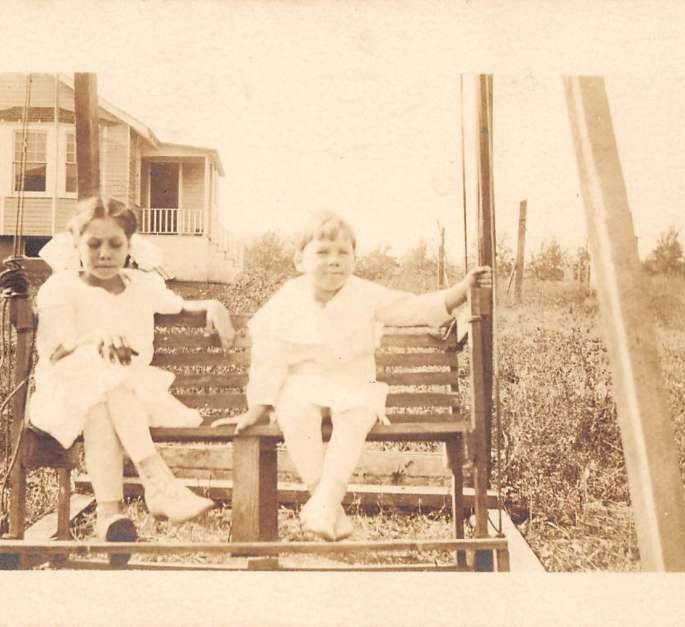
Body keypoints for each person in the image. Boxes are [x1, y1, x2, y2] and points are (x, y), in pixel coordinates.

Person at [213, 211, 491, 541]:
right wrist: (258, 406)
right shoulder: (287, 299)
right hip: (304, 383)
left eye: (343, 253)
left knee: (356, 416)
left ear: (355, 259)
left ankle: (326, 500)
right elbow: (269, 355)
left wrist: (462, 289)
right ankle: (328, 505)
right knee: (293, 411)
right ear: (299, 261)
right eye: (322, 252)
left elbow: (413, 307)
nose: (334, 261)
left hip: (353, 383)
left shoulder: (364, 293)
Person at [28, 196, 235, 556]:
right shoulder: (61, 288)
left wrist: (212, 305)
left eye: (115, 244)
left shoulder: (141, 286)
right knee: (102, 379)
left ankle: (110, 515)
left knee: (104, 400)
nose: (104, 253)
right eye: (94, 244)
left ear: (129, 245)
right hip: (65, 393)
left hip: (126, 399)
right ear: (76, 244)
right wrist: (95, 340)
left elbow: (179, 305)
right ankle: (158, 483)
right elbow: (57, 351)